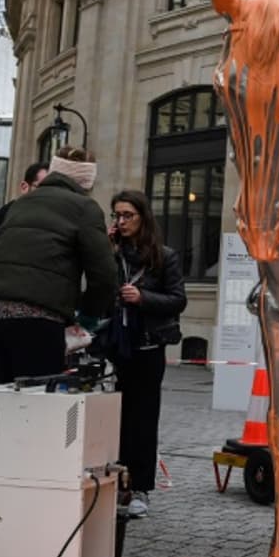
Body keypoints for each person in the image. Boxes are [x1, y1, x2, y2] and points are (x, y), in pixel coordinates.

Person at [0, 158, 104, 533]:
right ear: (26, 188)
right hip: (12, 325)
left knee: (25, 416)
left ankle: (13, 503)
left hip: (13, 322)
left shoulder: (54, 220)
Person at [106, 190, 187, 518]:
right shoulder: (114, 254)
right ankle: (118, 483)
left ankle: (140, 486)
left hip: (149, 346)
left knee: (143, 419)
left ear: (143, 218)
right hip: (117, 344)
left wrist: (143, 298)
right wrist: (106, 248)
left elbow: (178, 300)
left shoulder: (163, 256)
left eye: (128, 215)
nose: (122, 222)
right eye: (117, 216)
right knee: (116, 418)